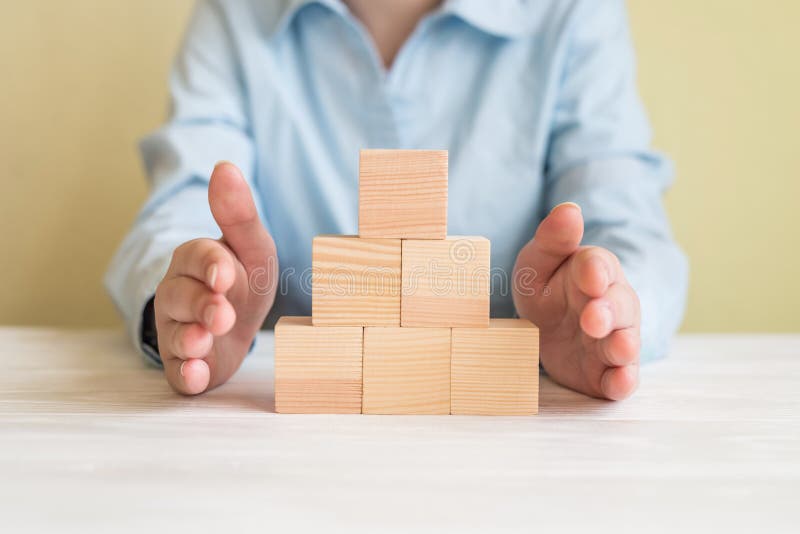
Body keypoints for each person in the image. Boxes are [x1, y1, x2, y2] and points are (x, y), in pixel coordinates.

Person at [106, 0, 688, 400]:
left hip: (502, 439)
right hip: (300, 442)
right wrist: (191, 305)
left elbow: (628, 226)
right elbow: (181, 206)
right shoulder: (234, 14)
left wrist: (605, 314)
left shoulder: (573, 12)